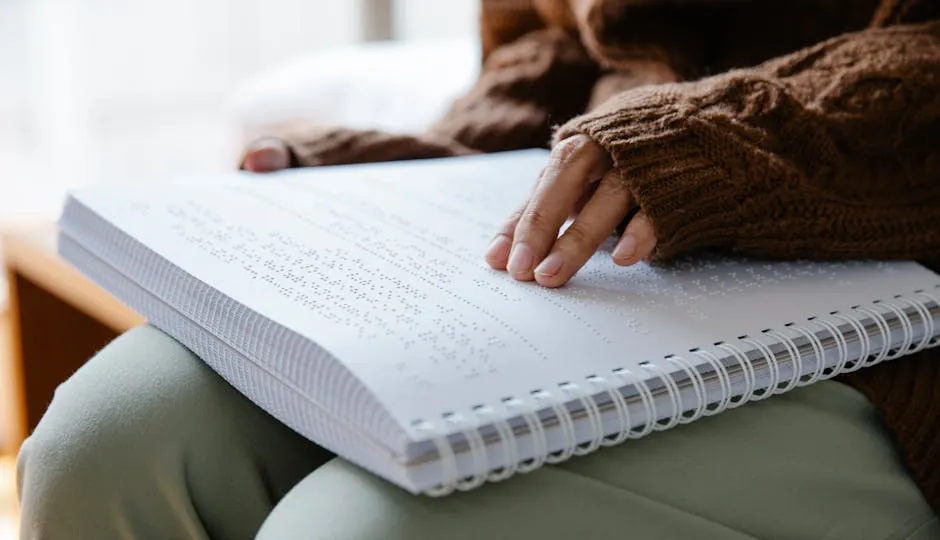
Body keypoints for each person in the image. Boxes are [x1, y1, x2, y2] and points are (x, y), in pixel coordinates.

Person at [17, 0, 940, 538]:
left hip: (889, 290)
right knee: (99, 446)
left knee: (349, 533)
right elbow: (552, 44)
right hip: (616, 242)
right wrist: (434, 160)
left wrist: (717, 143)